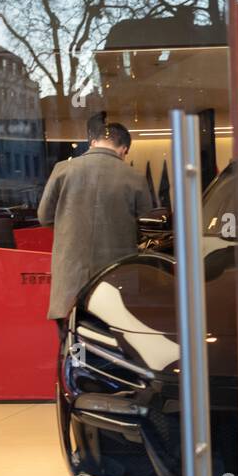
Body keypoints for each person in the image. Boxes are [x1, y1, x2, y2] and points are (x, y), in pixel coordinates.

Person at [38, 121, 152, 343]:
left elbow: (44, 217)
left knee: (72, 345)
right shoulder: (134, 177)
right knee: (112, 348)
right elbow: (147, 224)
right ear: (124, 150)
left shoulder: (62, 170)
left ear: (92, 142)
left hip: (70, 281)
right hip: (116, 282)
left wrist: (70, 228)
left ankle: (73, 374)